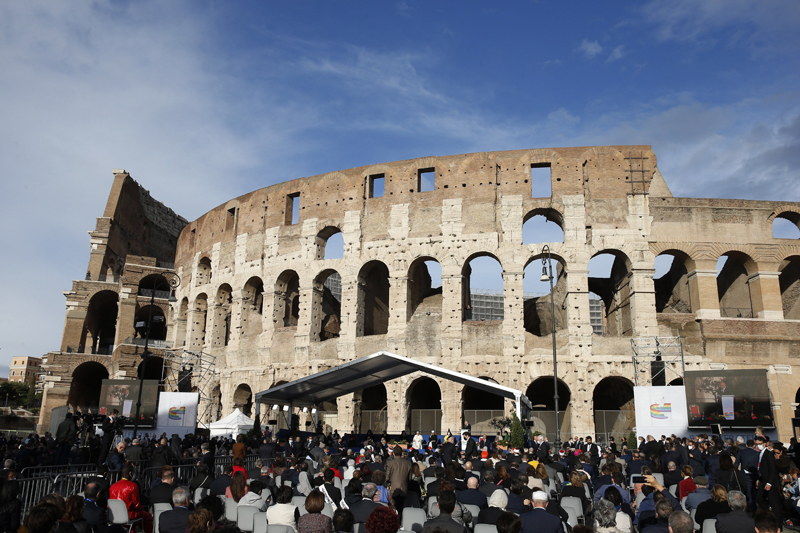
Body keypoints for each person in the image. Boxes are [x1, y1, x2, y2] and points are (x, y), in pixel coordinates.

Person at [109, 464, 153, 533]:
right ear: (130, 473)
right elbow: (136, 505)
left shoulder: (112, 486)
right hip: (129, 515)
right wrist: (142, 507)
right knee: (148, 516)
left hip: (114, 515)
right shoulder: (132, 485)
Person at [755, 435, 783, 523]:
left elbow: (772, 470)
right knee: (759, 499)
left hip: (771, 482)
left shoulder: (768, 454)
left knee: (775, 504)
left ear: (764, 444)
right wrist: (759, 478)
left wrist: (769, 483)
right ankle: (767, 517)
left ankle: (778, 525)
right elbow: (761, 468)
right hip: (763, 480)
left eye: (760, 444)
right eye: (757, 444)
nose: (758, 445)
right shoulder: (760, 453)